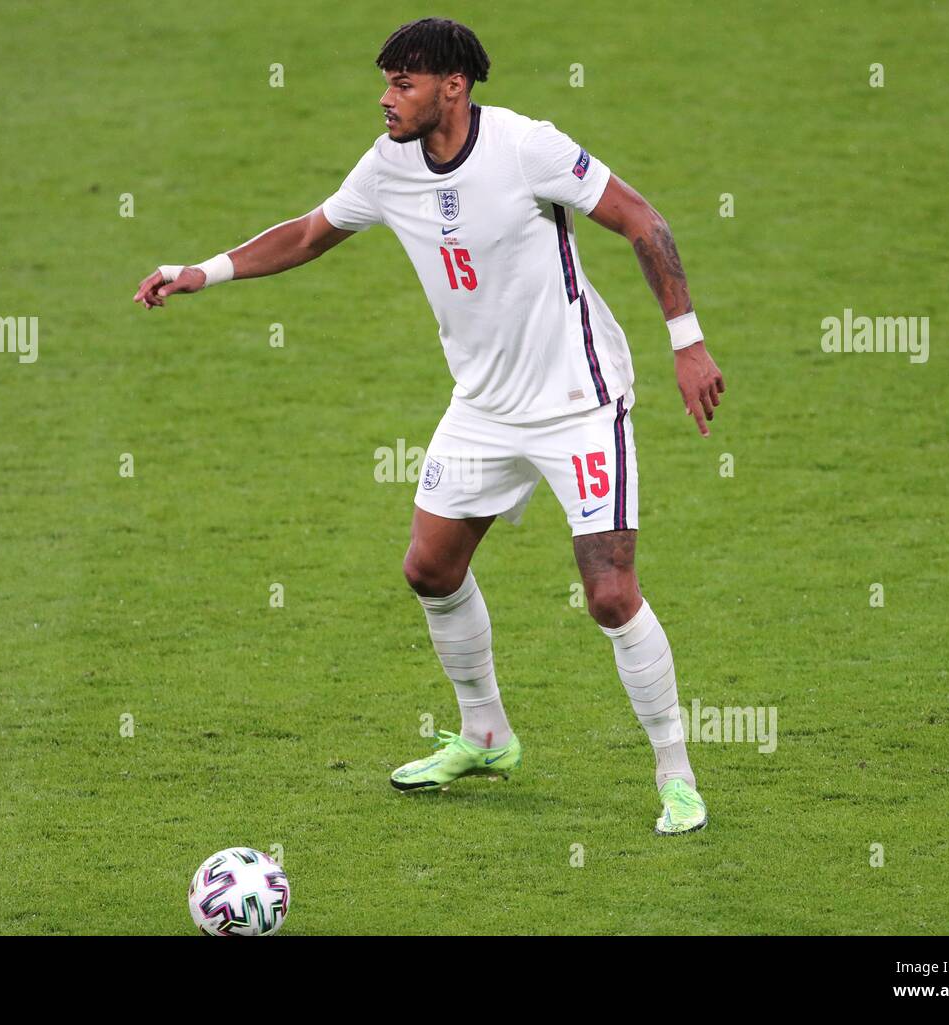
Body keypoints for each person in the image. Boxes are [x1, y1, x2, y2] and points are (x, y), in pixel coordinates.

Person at [134, 17, 724, 834]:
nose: (385, 98)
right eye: (385, 82)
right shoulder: (389, 166)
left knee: (611, 595)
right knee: (429, 570)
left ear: (454, 86)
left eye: (402, 83)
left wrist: (687, 342)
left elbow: (640, 218)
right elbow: (310, 232)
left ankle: (676, 774)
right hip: (482, 408)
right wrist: (204, 271)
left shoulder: (527, 147)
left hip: (578, 404)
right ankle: (486, 734)